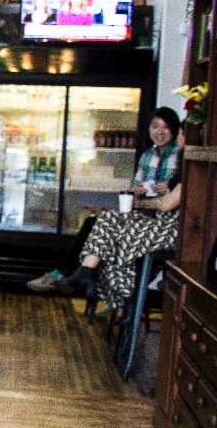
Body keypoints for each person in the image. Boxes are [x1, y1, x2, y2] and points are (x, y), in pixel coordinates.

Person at [29, 108, 184, 306]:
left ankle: (77, 275)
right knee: (92, 222)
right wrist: (137, 191)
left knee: (102, 224)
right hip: (143, 212)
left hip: (157, 221)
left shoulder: (180, 158)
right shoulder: (147, 155)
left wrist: (160, 191)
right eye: (155, 126)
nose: (159, 132)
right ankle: (75, 274)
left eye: (166, 128)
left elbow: (169, 201)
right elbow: (135, 185)